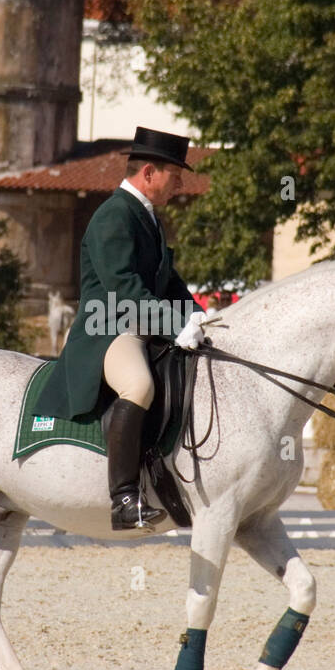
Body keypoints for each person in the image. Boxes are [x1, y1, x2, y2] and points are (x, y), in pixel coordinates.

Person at [34, 126, 207, 531]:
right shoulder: (114, 215)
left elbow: (169, 281)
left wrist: (198, 315)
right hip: (109, 329)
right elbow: (125, 290)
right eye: (175, 175)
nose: (180, 183)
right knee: (139, 387)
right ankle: (124, 498)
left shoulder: (145, 217)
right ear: (149, 172)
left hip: (143, 325)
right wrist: (171, 324)